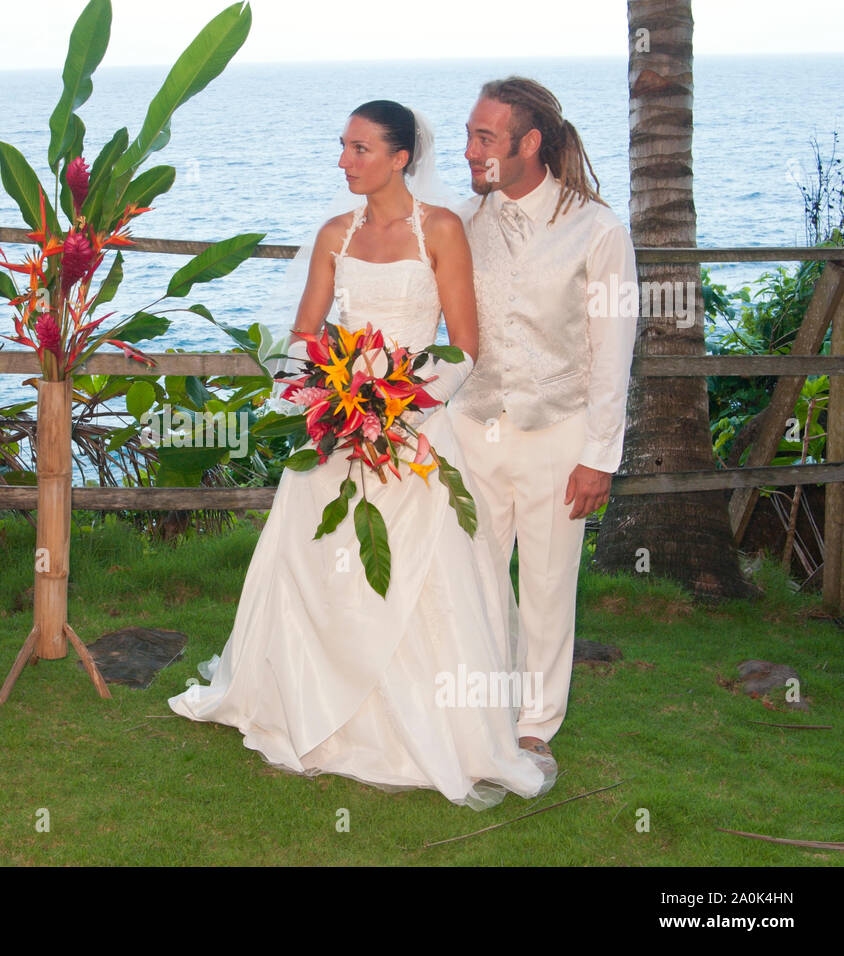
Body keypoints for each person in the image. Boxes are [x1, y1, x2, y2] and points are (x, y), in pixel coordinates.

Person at [169, 101, 554, 809]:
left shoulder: (440, 229)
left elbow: (464, 344)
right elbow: (301, 335)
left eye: (359, 148)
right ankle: (301, 705)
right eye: (342, 147)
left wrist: (398, 404)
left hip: (415, 432)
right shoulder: (333, 236)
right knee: (318, 567)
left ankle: (424, 729)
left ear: (400, 157)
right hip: (337, 432)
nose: (344, 160)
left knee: (421, 579)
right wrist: (322, 397)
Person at [451, 77, 638, 770]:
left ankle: (535, 725)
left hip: (558, 433)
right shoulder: (464, 220)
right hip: (473, 426)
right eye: (470, 133)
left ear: (530, 144)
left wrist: (600, 456)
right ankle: (479, 710)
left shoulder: (598, 230)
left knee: (550, 584)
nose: (470, 149)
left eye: (485, 138)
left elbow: (612, 350)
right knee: (474, 574)